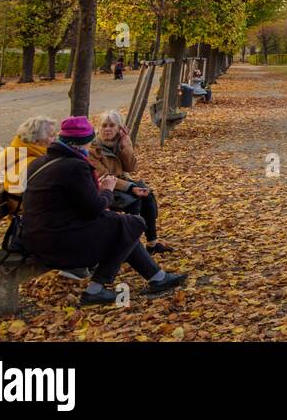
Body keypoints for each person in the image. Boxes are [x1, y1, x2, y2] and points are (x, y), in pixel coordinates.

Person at [20, 116, 187, 306]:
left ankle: (157, 277)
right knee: (133, 224)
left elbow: (71, 203)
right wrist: (107, 189)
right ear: (83, 142)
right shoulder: (75, 166)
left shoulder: (41, 162)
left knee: (125, 226)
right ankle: (95, 289)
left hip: (37, 235)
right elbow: (94, 209)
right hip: (58, 241)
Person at [88, 111, 172, 254]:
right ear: (99, 127)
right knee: (134, 202)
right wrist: (131, 187)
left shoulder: (122, 141)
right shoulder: (92, 148)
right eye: (104, 125)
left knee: (148, 196)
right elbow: (103, 176)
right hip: (103, 187)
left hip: (121, 182)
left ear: (119, 128)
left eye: (112, 125)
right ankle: (132, 249)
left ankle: (152, 244)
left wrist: (124, 146)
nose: (107, 129)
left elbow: (131, 167)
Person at [0, 116, 58, 196]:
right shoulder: (34, 163)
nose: (56, 138)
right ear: (36, 140)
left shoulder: (15, 152)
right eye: (52, 135)